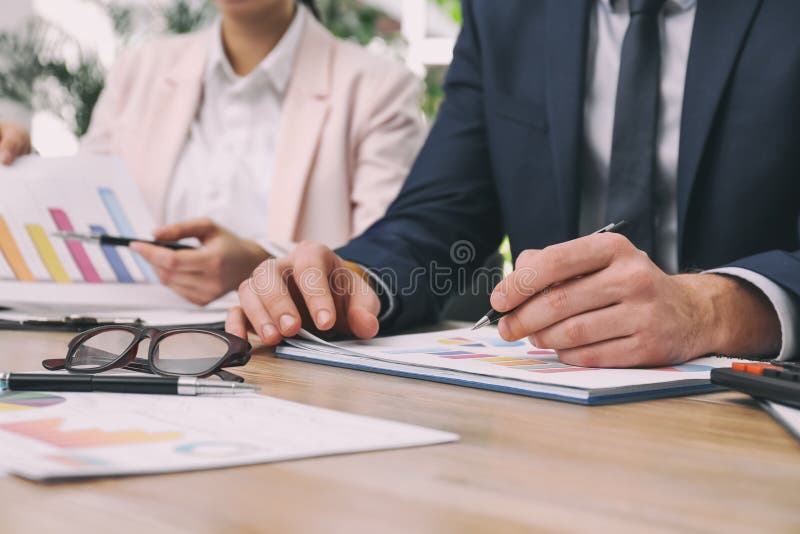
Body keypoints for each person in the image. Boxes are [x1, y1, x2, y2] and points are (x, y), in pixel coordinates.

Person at [227, 0, 800, 368]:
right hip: (559, 408)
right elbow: (439, 218)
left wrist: (714, 309)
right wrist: (355, 281)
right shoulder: (504, 12)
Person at [0, 0, 425, 305]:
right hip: (131, 342)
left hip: (286, 353)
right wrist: (24, 165)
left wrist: (260, 264)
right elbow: (87, 214)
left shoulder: (378, 88)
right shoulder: (140, 68)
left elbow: (386, 256)